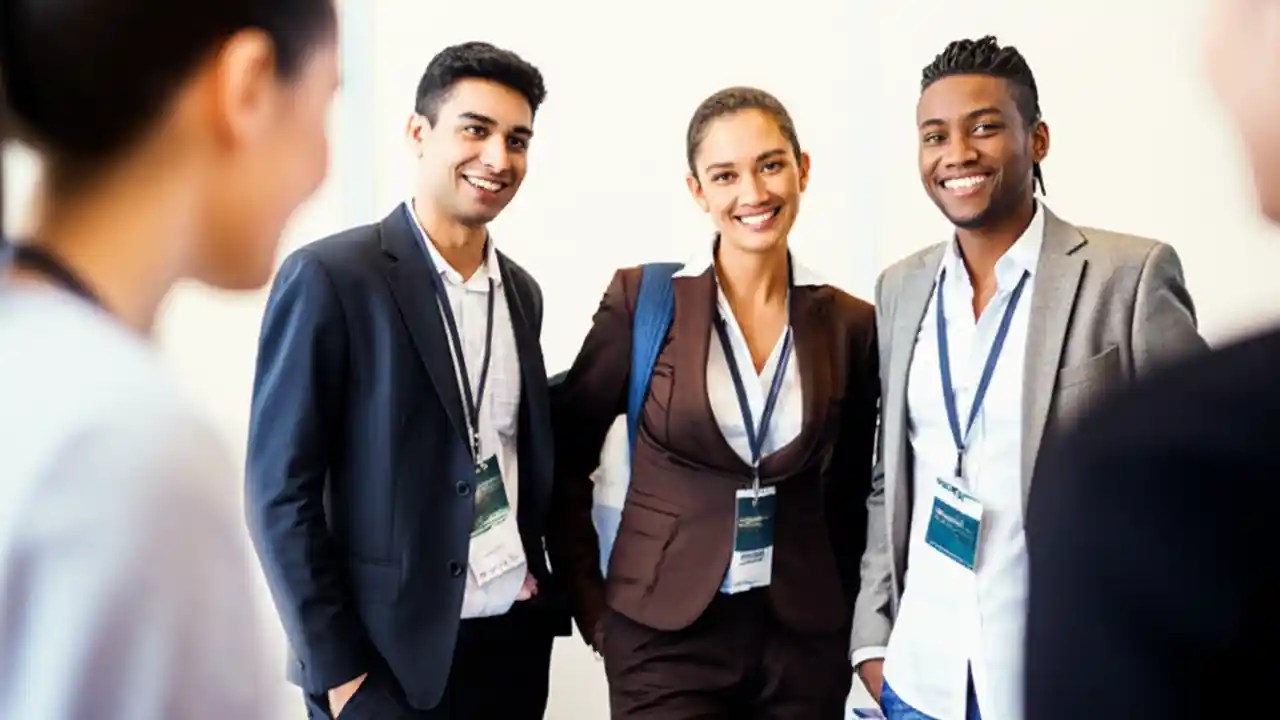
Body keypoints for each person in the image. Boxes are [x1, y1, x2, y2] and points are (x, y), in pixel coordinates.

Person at [849, 35, 1207, 720]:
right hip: (919, 682)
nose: (957, 154)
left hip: (1065, 679)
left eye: (985, 127)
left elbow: (1194, 488)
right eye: (935, 136)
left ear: (1036, 139)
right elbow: (887, 478)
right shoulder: (901, 290)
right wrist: (873, 638)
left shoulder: (1126, 277)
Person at [0, 1, 338, 718]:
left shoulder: (40, 372)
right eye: (325, 103)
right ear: (246, 86)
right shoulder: (127, 445)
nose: (322, 164)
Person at [245, 41, 569, 720]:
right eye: (475, 130)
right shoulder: (333, 277)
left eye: (518, 140)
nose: (498, 159)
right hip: (384, 667)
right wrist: (338, 675)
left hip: (508, 647)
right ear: (419, 134)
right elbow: (279, 493)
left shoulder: (523, 295)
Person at [548, 86, 880, 718]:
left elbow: (853, 496)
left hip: (801, 641)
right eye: (725, 175)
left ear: (802, 168)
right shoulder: (644, 301)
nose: (753, 194)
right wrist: (595, 612)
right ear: (698, 191)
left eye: (771, 165)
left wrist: (850, 624)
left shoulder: (850, 323)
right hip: (662, 636)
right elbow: (564, 459)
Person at [1024, 2, 1280, 716]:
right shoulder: (901, 289)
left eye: (1247, 13)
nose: (1212, 60)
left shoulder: (1157, 467)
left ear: (1036, 140)